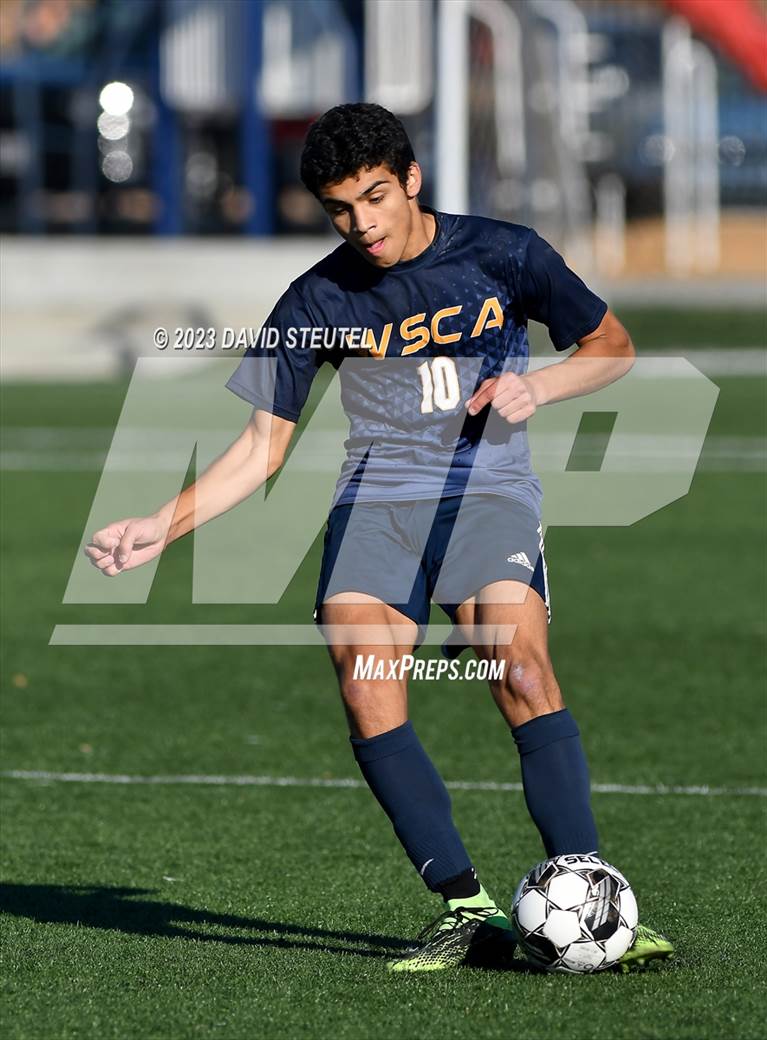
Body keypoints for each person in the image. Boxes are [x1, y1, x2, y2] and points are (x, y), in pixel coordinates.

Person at [86, 103, 673, 973]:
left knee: (517, 668)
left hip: (487, 491)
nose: (362, 224)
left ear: (410, 181)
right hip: (377, 503)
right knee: (366, 686)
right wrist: (159, 527)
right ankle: (465, 910)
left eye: (373, 198)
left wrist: (540, 391)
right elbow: (260, 448)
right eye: (339, 208)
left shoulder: (503, 253)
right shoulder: (316, 299)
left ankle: (593, 898)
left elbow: (611, 344)